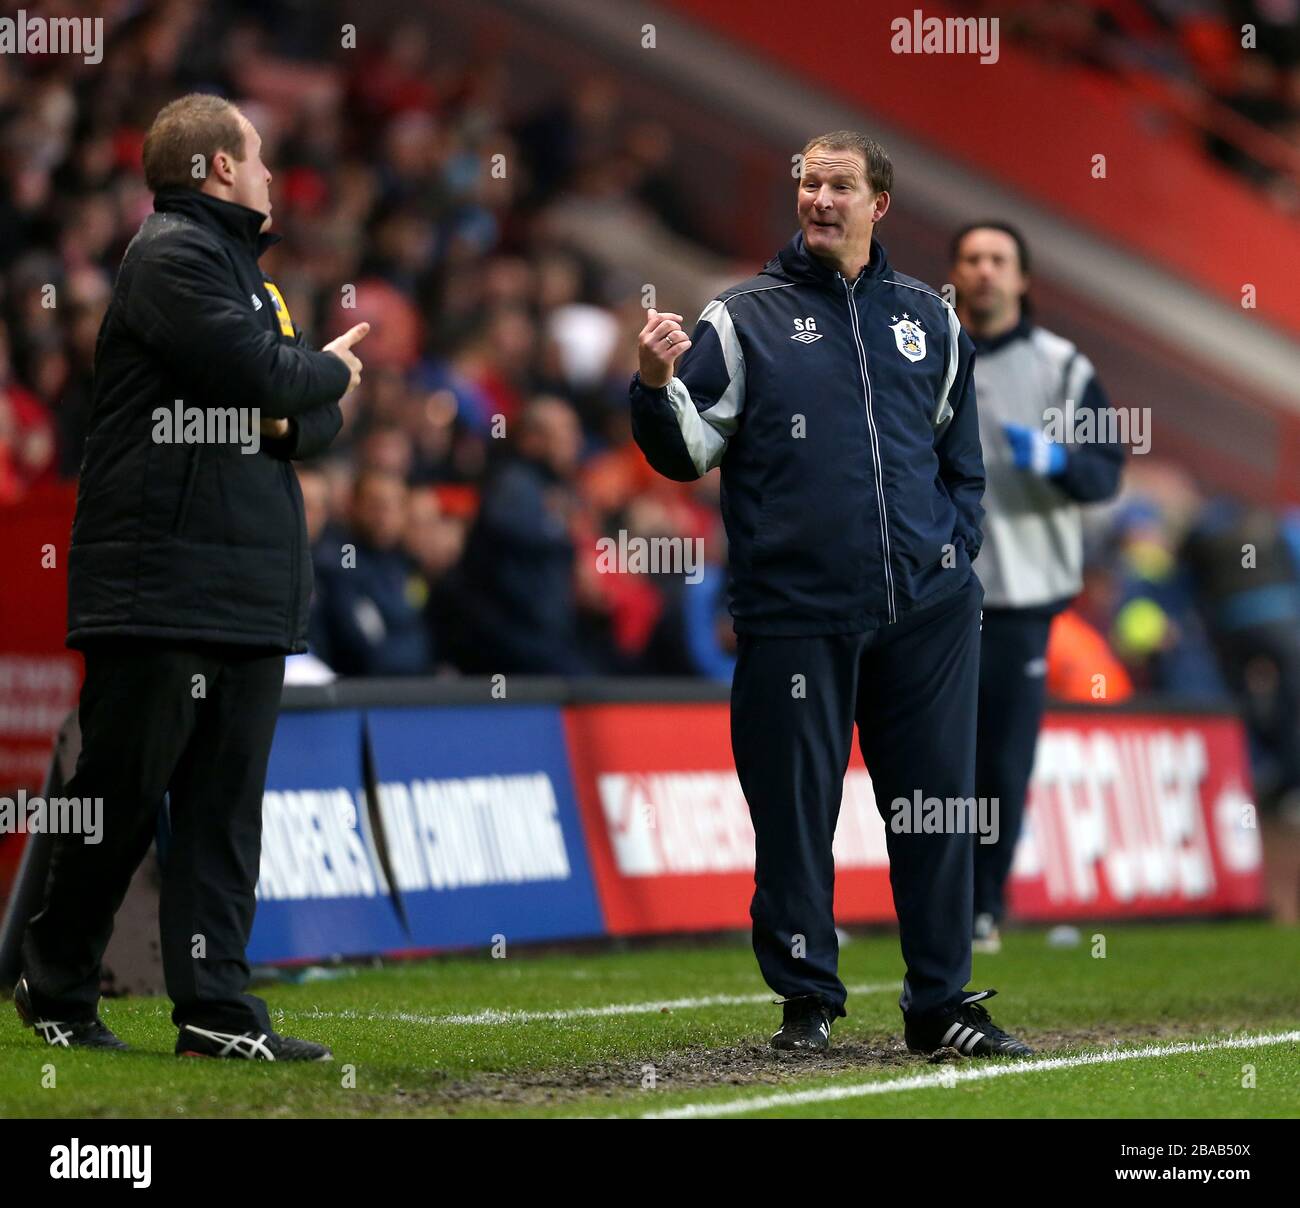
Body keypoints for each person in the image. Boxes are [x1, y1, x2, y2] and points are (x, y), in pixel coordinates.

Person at [629, 131, 1032, 1058]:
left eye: (840, 185)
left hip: (927, 618)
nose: (820, 198)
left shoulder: (930, 320)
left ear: (878, 204)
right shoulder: (743, 318)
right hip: (796, 616)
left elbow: (962, 467)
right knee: (795, 811)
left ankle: (940, 1006)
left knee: (934, 810)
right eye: (809, 183)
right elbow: (686, 451)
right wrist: (654, 386)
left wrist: (951, 559)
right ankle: (807, 1000)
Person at [15, 94, 367, 1060]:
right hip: (160, 581)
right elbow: (270, 378)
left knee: (222, 816)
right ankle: (55, 983)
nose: (268, 173)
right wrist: (320, 377)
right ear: (214, 167)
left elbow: (299, 415)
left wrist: (302, 391)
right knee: (124, 796)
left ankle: (215, 1013)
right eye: (257, 158)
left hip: (247, 584)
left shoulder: (247, 277)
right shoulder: (169, 254)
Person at [950, 222, 1125, 954]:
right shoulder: (925, 352)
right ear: (955, 273)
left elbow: (1105, 475)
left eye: (1000, 261)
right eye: (972, 259)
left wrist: (1055, 458)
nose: (985, 272)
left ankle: (983, 904)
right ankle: (932, 900)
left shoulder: (1063, 368)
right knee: (927, 755)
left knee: (998, 759)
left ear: (1023, 280)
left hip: (1019, 600)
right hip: (933, 591)